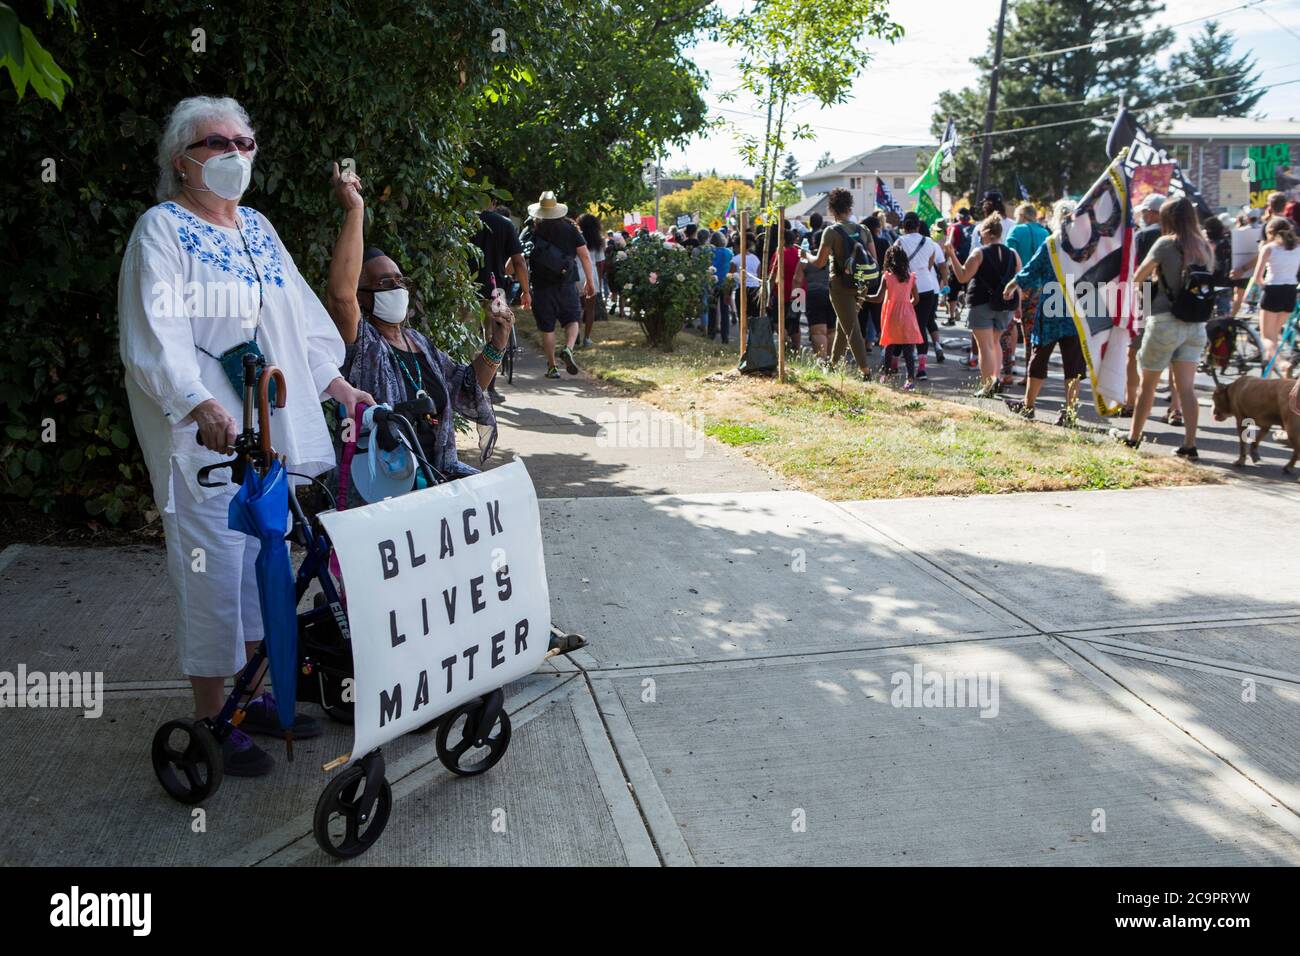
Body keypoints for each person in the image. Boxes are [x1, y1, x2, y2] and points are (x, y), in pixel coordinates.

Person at [118, 96, 374, 776]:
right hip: (208, 445)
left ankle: (250, 696)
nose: (235, 153)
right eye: (217, 142)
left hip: (273, 433)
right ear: (182, 160)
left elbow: (299, 324)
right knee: (215, 574)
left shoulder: (258, 228)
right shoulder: (162, 231)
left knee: (268, 567)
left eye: (245, 142)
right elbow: (154, 331)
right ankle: (211, 716)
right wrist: (196, 400)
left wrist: (338, 386)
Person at [326, 176, 503, 488]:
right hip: (379, 481)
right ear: (363, 295)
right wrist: (355, 210)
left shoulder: (418, 342)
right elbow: (340, 295)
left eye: (399, 281)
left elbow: (466, 387)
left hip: (435, 473)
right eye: (384, 283)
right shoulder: (361, 342)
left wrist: (498, 341)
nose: (396, 288)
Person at [1112, 196, 1214, 458]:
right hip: (1196, 325)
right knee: (1186, 388)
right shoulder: (1204, 246)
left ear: (1167, 219)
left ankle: (1133, 437)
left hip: (1165, 322)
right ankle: (1190, 444)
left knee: (1149, 384)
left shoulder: (1165, 244)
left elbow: (1138, 277)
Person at [1003, 200, 1085, 425]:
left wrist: (1012, 285)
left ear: (1057, 219)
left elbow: (1032, 269)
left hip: (1051, 304)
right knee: (1074, 361)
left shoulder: (1052, 243)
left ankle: (1028, 406)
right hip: (1077, 306)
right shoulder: (1087, 246)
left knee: (1039, 355)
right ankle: (1070, 413)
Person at [944, 214, 1022, 397]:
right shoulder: (1013, 254)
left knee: (985, 346)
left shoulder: (979, 253)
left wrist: (952, 255)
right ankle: (995, 379)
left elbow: (963, 276)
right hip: (1006, 304)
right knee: (995, 344)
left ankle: (988, 386)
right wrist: (1018, 304)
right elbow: (1019, 280)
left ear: (985, 233)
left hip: (981, 303)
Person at [520, 191, 594, 379]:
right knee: (573, 320)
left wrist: (524, 289)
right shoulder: (570, 228)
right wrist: (589, 281)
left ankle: (552, 367)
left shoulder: (532, 229)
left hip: (541, 286)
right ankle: (568, 348)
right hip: (567, 283)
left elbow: (521, 257)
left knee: (547, 328)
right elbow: (584, 255)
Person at [807, 187, 873, 380]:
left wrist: (806, 256)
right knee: (844, 324)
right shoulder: (863, 229)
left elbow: (819, 262)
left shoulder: (831, 231)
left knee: (851, 327)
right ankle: (833, 365)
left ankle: (866, 372)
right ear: (850, 206)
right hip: (862, 283)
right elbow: (874, 259)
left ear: (832, 209)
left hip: (840, 284)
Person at [470, 202, 530, 404]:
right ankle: (490, 389)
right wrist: (526, 290)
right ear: (494, 202)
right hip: (496, 291)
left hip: (466, 289)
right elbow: (519, 261)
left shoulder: (465, 221)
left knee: (466, 339)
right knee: (496, 338)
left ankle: (467, 387)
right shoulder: (505, 224)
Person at [891, 211, 947, 378]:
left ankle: (893, 364)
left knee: (902, 325)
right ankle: (922, 368)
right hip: (927, 286)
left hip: (906, 288)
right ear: (918, 225)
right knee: (921, 326)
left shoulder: (899, 241)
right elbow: (930, 265)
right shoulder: (929, 242)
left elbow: (895, 265)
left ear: (904, 226)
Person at [1247, 217, 1300, 374]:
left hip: (1273, 290)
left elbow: (1257, 277)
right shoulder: (1297, 246)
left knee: (1266, 338)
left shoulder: (1269, 248)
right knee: (1275, 335)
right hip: (1290, 290)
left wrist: (1264, 286)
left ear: (1270, 232)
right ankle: (1274, 373)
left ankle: (1282, 364)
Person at [1005, 203, 1050, 386]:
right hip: (1044, 288)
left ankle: (1012, 373)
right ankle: (1034, 374)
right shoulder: (1046, 233)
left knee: (1012, 330)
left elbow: (1009, 257)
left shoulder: (1016, 231)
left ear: (1022, 216)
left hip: (1021, 287)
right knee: (1036, 333)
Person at [867, 244, 922, 390]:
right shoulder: (910, 277)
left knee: (889, 346)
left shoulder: (887, 277)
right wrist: (906, 305)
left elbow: (878, 298)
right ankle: (910, 380)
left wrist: (862, 296)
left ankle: (886, 375)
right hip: (907, 315)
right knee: (908, 350)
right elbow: (916, 299)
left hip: (891, 315)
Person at [1229, 206, 1264, 316]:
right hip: (1257, 268)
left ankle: (1232, 317)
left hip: (1244, 268)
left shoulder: (1239, 232)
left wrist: (1242, 268)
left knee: (1239, 294)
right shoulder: (1263, 229)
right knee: (1260, 295)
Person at [577, 213, 605, 349]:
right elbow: (600, 263)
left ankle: (574, 334)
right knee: (590, 309)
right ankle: (587, 338)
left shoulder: (575, 237)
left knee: (576, 308)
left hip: (576, 275)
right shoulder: (598, 241)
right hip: (591, 274)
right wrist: (598, 280)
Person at [944, 208, 973, 325]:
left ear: (958, 216)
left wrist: (947, 260)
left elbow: (949, 244)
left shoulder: (953, 227)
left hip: (956, 263)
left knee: (953, 290)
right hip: (972, 262)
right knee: (970, 290)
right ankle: (969, 318)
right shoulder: (975, 227)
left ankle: (951, 317)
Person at [708, 231, 736, 343]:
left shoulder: (710, 252)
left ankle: (711, 333)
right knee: (725, 310)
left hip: (713, 282)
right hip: (726, 283)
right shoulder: (729, 252)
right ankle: (725, 336)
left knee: (712, 309)